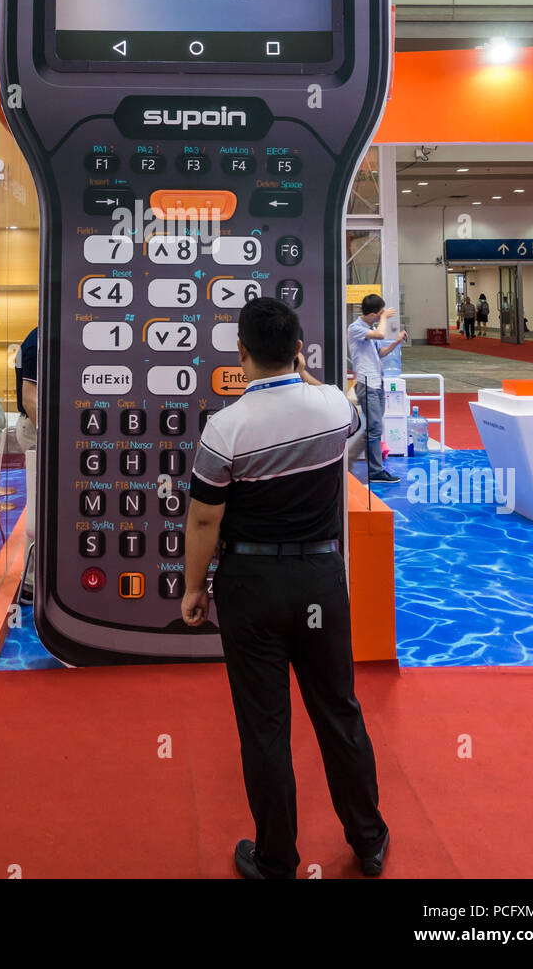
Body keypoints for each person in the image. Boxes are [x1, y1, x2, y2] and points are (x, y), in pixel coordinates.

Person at [183, 297, 388, 881]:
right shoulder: (333, 406)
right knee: (339, 712)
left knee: (265, 727)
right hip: (320, 581)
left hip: (250, 586)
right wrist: (301, 371)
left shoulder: (225, 429)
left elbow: (203, 521)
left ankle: (277, 859)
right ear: (300, 350)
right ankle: (369, 840)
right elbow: (343, 416)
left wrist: (194, 588)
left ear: (240, 353)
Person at [347, 294, 407, 485]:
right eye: (380, 314)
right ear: (374, 314)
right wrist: (383, 318)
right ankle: (375, 470)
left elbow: (379, 353)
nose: (383, 317)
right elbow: (381, 335)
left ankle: (356, 461)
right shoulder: (356, 328)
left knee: (373, 427)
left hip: (376, 382)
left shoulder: (368, 328)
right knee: (374, 428)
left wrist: (397, 341)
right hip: (367, 383)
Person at [15, 326, 38, 603]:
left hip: (35, 427)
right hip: (35, 429)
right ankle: (31, 583)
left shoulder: (40, 336)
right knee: (39, 505)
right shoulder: (38, 340)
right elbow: (29, 396)